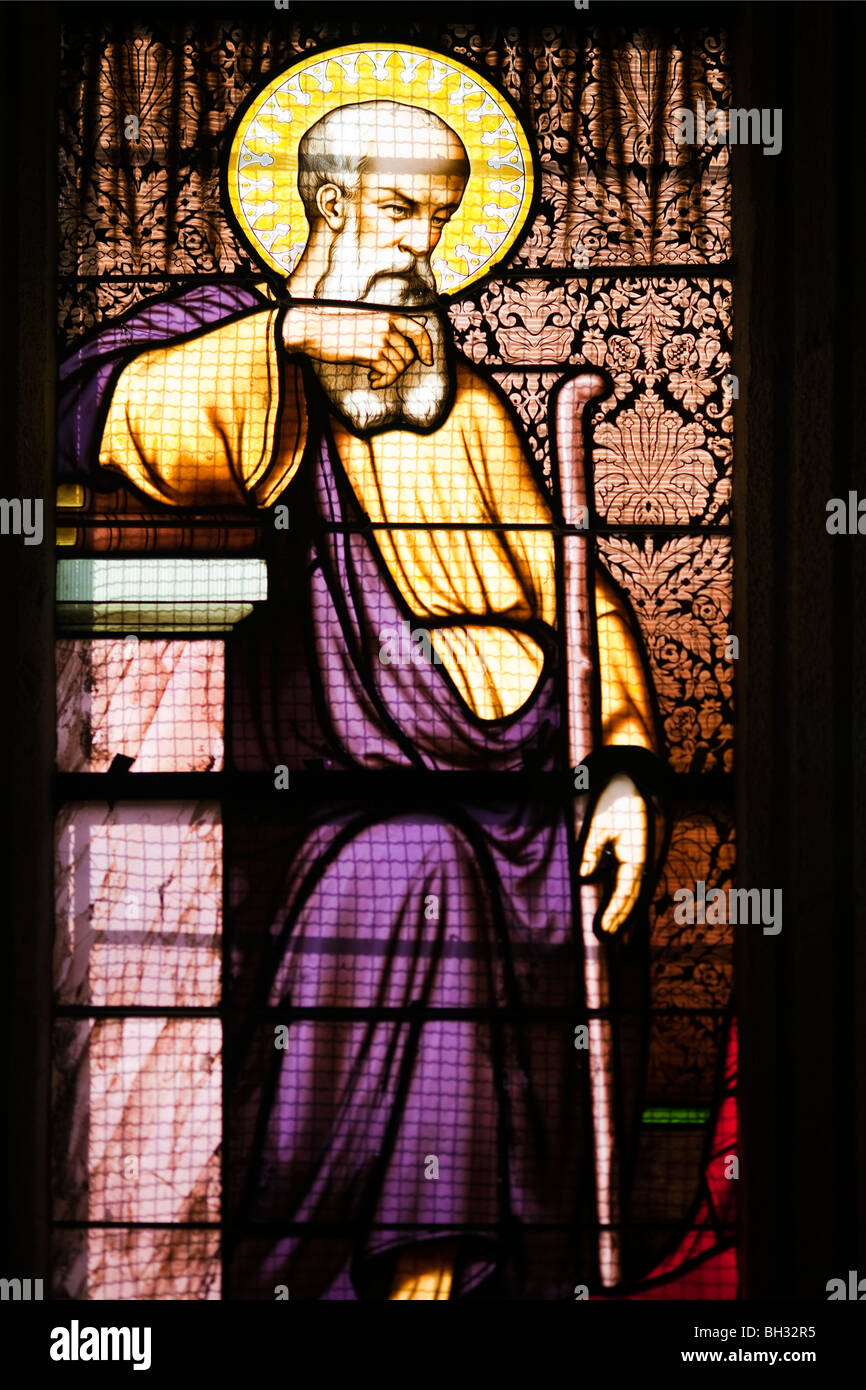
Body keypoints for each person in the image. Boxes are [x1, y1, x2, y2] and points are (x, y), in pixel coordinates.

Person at [59, 97, 663, 1299]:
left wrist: (627, 764)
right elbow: (110, 419)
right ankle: (402, 1284)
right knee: (410, 862)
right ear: (327, 203)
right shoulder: (245, 366)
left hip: (530, 814)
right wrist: (288, 339)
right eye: (398, 211)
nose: (421, 250)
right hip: (338, 819)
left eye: (440, 221)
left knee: (451, 862)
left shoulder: (472, 410)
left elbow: (577, 602)